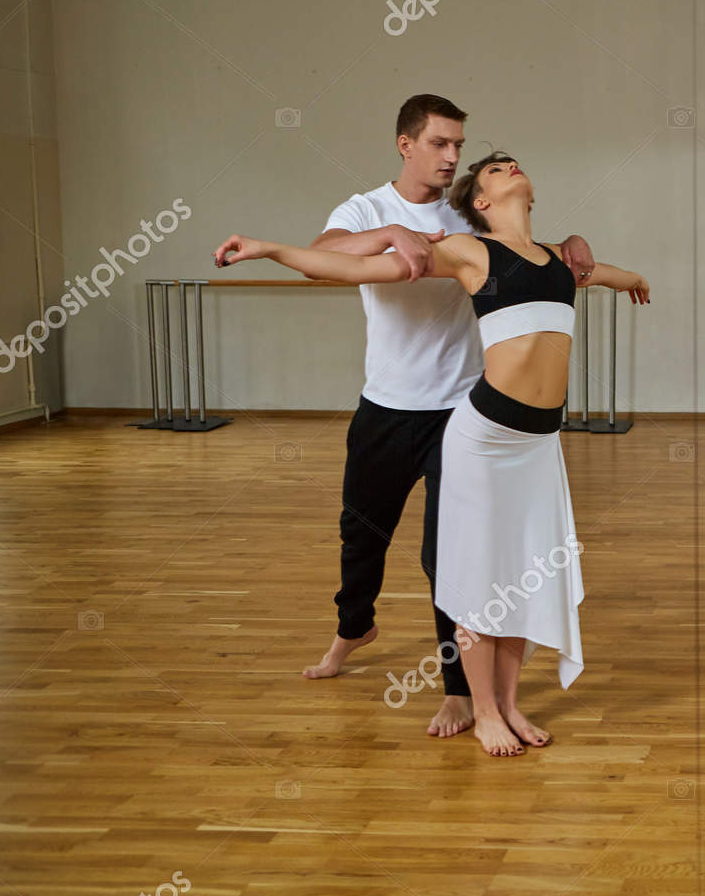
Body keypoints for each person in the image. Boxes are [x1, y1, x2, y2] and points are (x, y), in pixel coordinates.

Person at [216, 150, 649, 755]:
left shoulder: (558, 259)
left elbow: (606, 275)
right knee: (476, 575)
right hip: (484, 438)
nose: (510, 168)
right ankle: (485, 711)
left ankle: (512, 704)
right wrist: (273, 249)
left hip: (539, 445)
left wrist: (633, 280)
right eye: (496, 169)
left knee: (522, 577)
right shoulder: (471, 251)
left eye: (514, 164)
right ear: (480, 202)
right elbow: (355, 270)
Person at [294, 94, 592, 742]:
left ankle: (462, 692)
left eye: (459, 144)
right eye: (439, 143)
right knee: (361, 530)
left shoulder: (469, 213)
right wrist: (391, 233)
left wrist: (571, 243)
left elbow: (526, 259)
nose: (453, 155)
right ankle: (354, 627)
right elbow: (327, 253)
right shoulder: (368, 206)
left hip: (465, 409)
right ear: (406, 144)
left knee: (447, 555)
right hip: (389, 402)